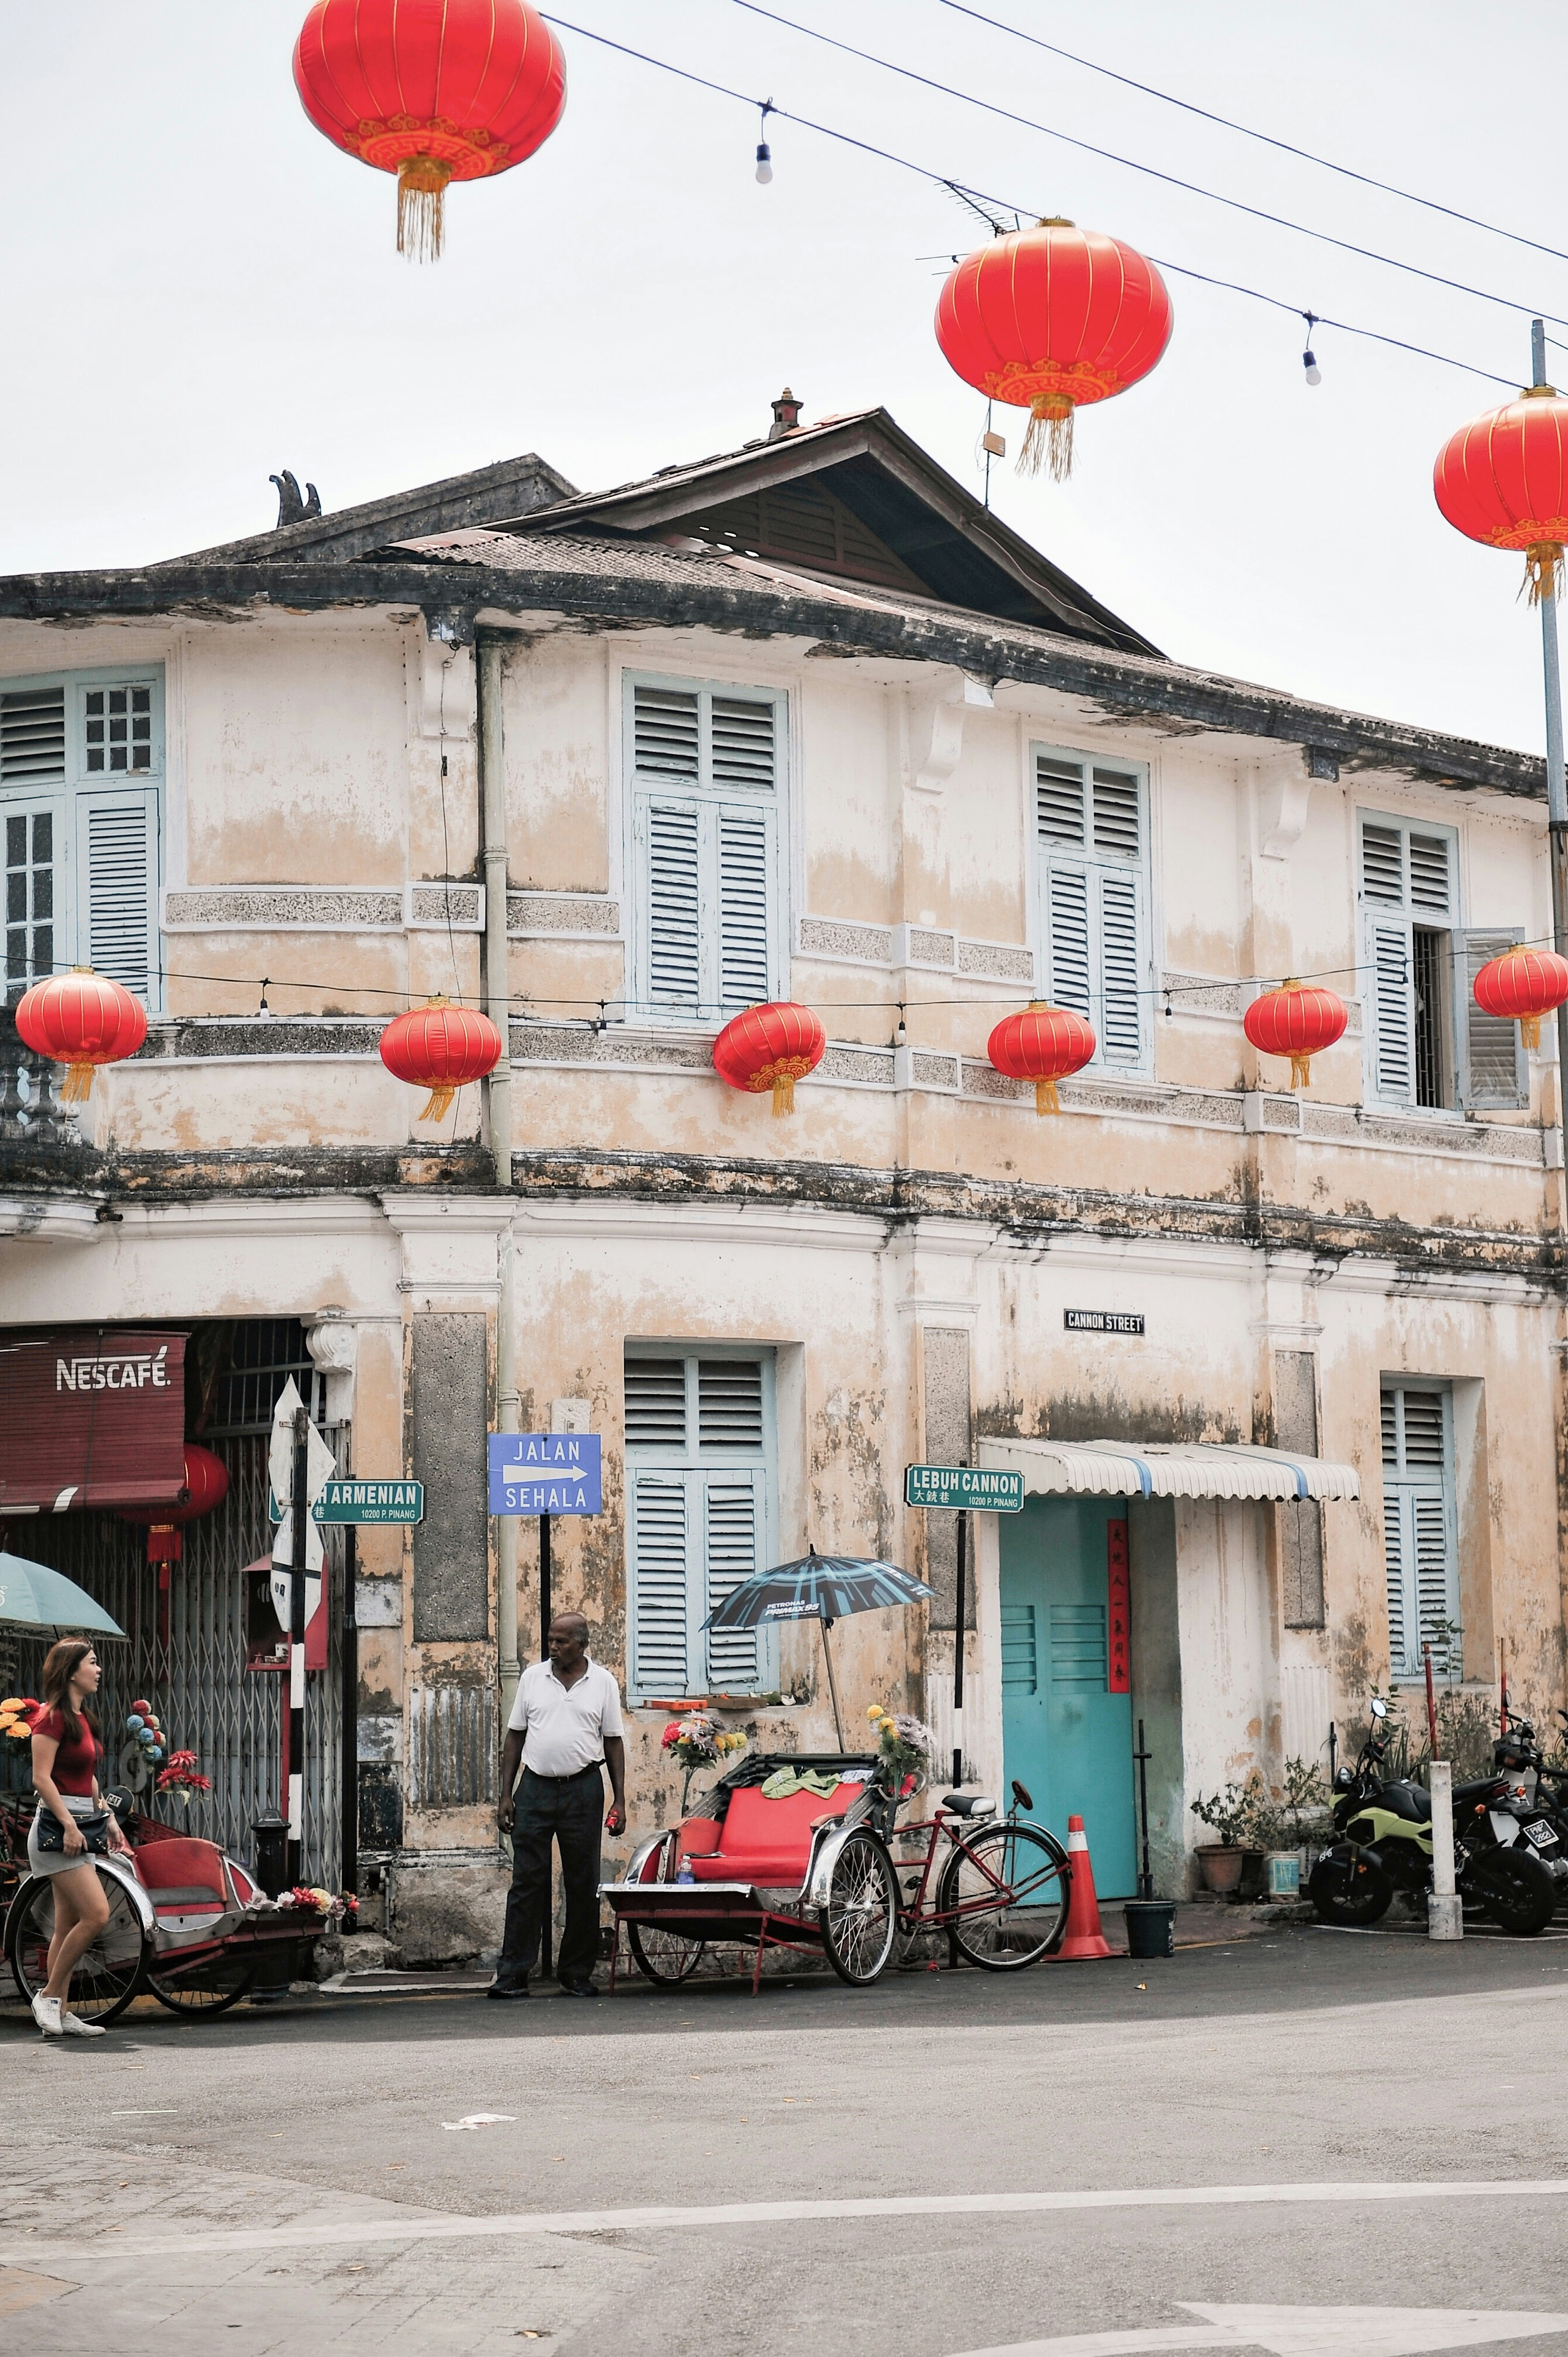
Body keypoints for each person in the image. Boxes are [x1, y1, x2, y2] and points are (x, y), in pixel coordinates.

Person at [491, 1612, 626, 1999]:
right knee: (527, 1882)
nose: (553, 1647)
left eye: (561, 1641)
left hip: (583, 1789)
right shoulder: (534, 1678)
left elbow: (613, 1741)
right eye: (551, 1640)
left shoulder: (602, 1683)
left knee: (582, 1883)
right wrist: (506, 1794)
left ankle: (576, 1974)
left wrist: (620, 1798)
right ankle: (514, 1973)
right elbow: (515, 1738)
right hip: (534, 1789)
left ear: (582, 1645)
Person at [28, 1638, 134, 2038]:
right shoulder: (50, 1717)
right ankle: (50, 1996)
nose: (98, 1669)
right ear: (72, 1671)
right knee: (97, 1915)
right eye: (92, 1662)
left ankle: (62, 2009)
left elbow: (86, 1774)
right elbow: (41, 1777)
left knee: (67, 1925)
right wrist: (70, 1824)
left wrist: (105, 1816)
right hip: (59, 1834)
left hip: (82, 1827)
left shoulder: (81, 1718)